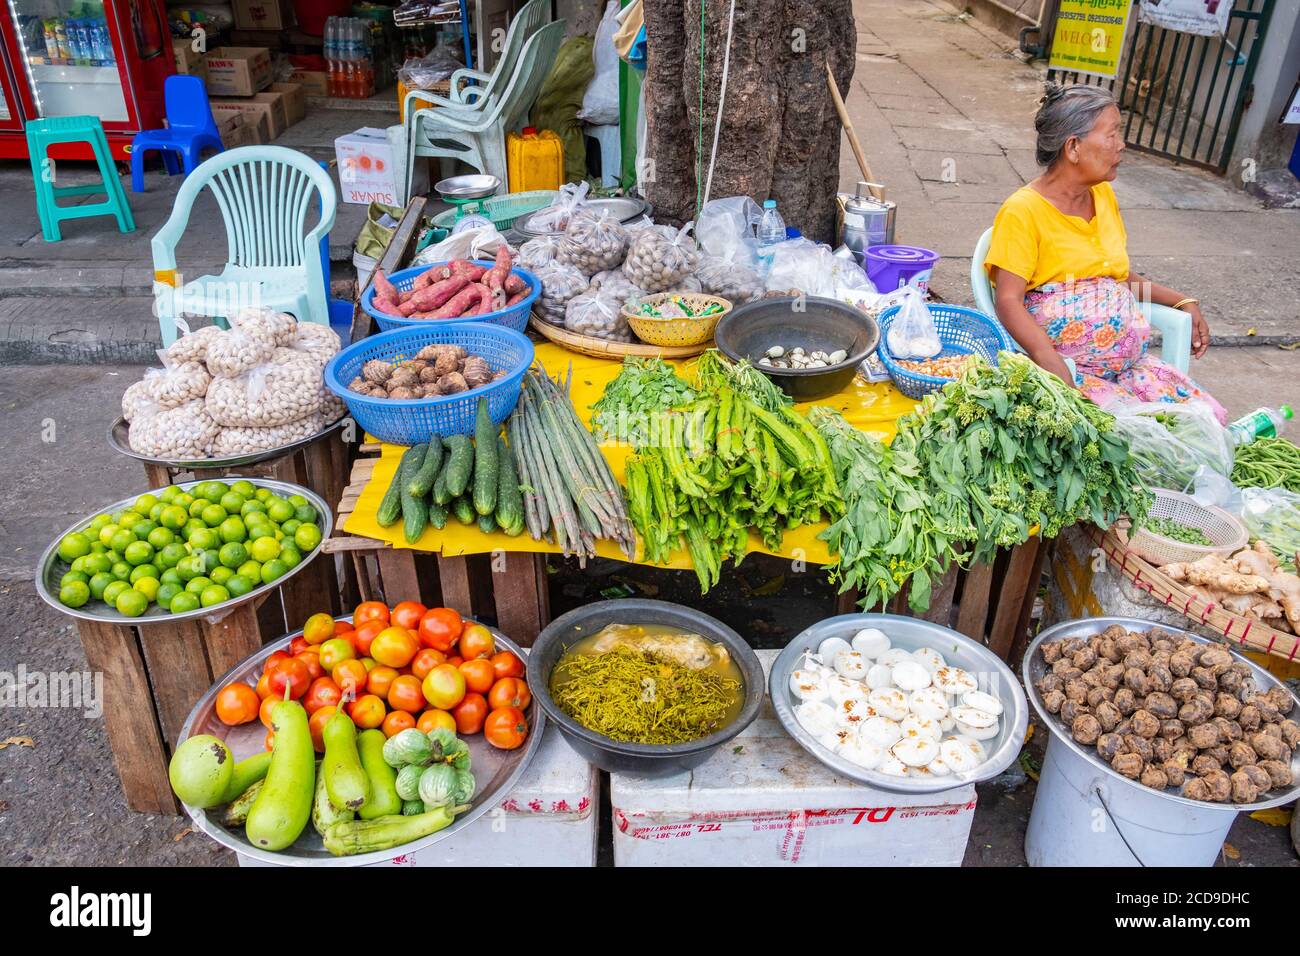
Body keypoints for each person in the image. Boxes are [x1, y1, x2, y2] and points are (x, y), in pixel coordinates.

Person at [985, 83, 1225, 423]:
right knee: (1136, 441)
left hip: (1128, 369)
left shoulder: (1103, 197)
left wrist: (1181, 300)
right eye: (1112, 135)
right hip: (1070, 372)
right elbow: (1008, 300)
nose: (1121, 145)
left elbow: (1118, 277)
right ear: (1073, 147)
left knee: (1202, 421)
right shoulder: (1023, 211)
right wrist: (1050, 363)